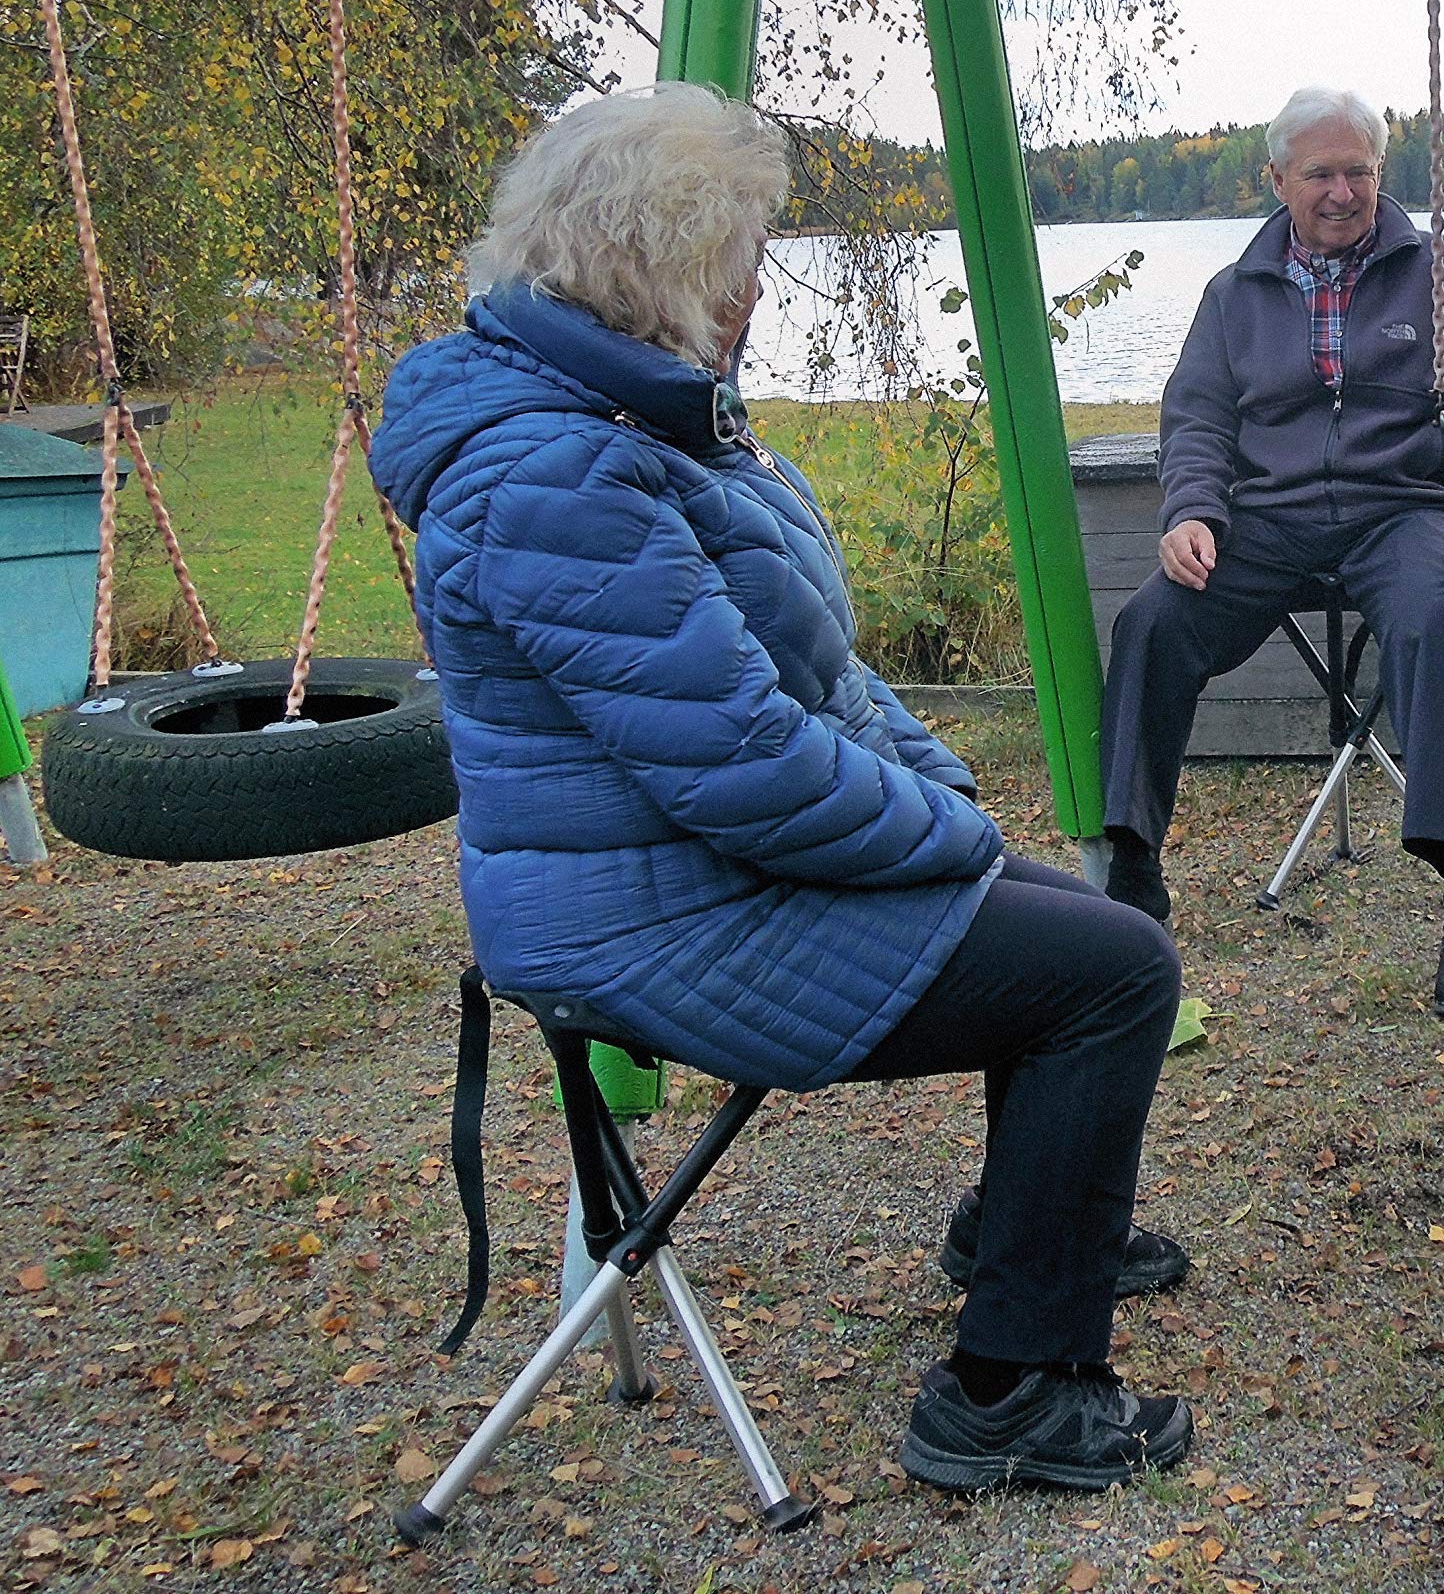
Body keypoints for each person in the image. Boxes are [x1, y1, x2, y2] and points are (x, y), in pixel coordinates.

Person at [370, 84, 1193, 1494]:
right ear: (660, 261)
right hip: (652, 910)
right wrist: (948, 832)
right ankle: (1008, 1394)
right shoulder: (561, 467)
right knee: (1110, 975)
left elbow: (818, 676)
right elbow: (747, 769)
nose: (760, 286)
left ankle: (1026, 1232)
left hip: (693, 860)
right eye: (745, 252)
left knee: (1068, 927)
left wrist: (942, 797)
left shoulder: (648, 417)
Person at [1096, 86, 1444, 1022]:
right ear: (1277, 179)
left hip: (1401, 511)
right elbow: (1198, 418)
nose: (1341, 191)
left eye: (1358, 171)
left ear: (1381, 174)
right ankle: (1131, 874)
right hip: (1268, 520)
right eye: (1320, 173)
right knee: (1151, 622)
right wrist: (1192, 511)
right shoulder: (1233, 295)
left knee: (1430, 618)